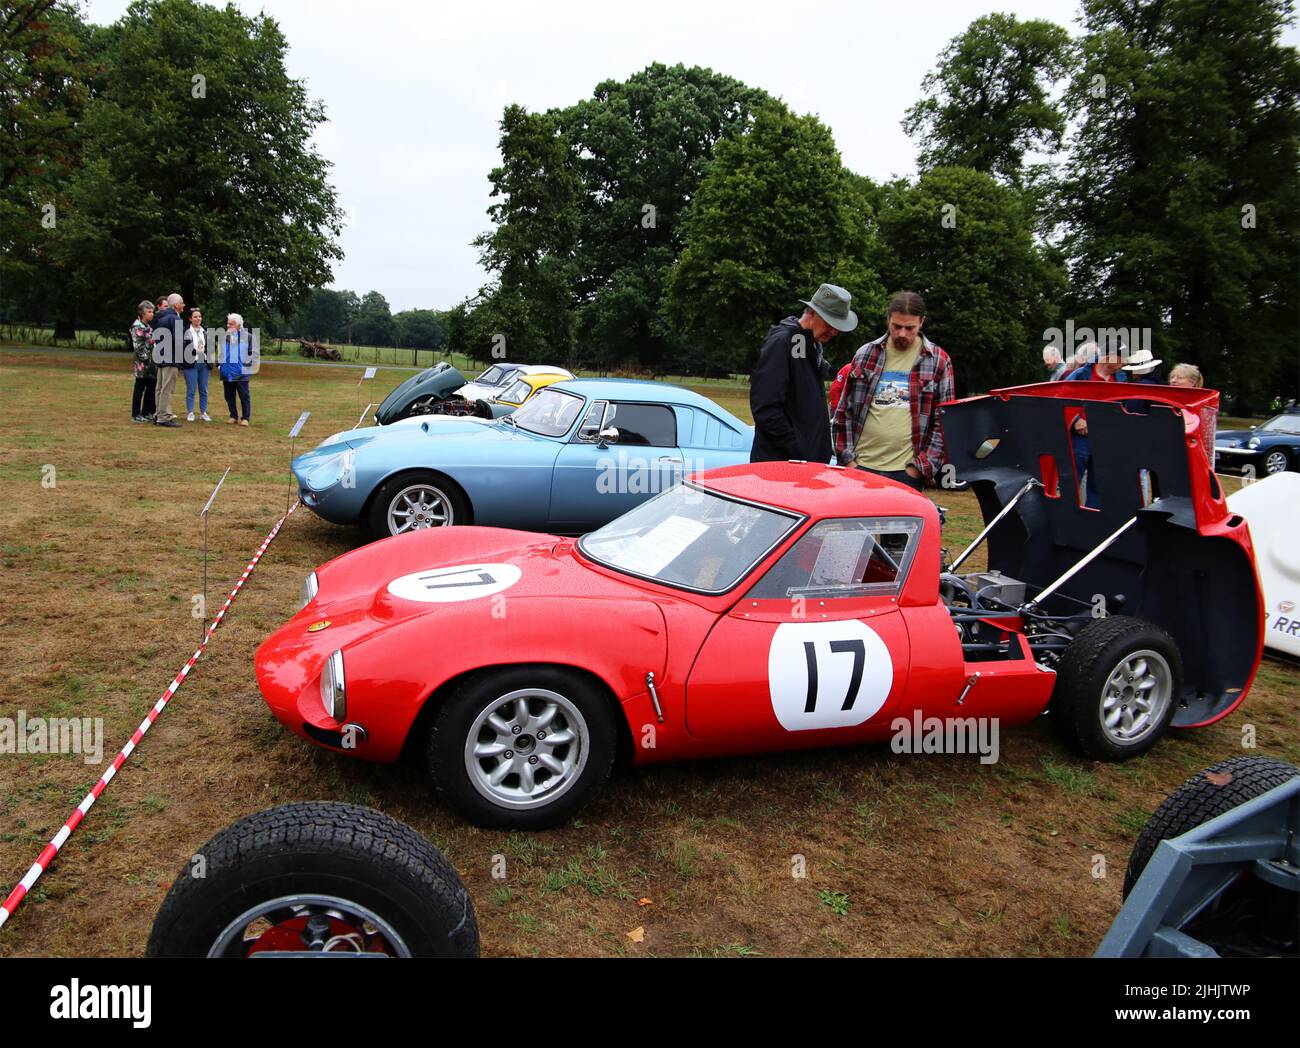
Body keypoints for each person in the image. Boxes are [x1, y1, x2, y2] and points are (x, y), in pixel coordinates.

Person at [831, 291, 955, 492]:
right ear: (888, 319)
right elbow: (843, 411)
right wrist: (848, 460)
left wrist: (920, 468)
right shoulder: (865, 354)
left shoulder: (938, 361)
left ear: (921, 322)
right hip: (860, 468)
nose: (902, 334)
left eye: (909, 328)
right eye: (897, 326)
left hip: (906, 473)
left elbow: (944, 423)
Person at [749, 283, 857, 463]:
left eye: (838, 326)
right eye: (829, 323)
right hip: (783, 467)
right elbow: (765, 407)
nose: (834, 331)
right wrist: (799, 449)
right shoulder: (784, 341)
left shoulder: (807, 343)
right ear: (812, 313)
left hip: (804, 465)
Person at [151, 292, 185, 427]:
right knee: (167, 388)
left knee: (159, 387)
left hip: (160, 356)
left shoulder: (160, 318)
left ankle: (158, 413)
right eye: (181, 303)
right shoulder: (175, 319)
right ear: (176, 305)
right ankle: (163, 416)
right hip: (170, 357)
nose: (183, 306)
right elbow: (179, 341)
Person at [219, 313, 252, 426]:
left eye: (231, 324)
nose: (228, 326)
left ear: (238, 325)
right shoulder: (224, 337)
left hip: (241, 373)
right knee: (229, 396)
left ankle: (245, 418)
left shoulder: (248, 337)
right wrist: (220, 364)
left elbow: (252, 354)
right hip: (227, 371)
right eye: (227, 323)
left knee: (244, 395)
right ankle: (233, 416)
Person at [182, 307, 212, 421]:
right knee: (191, 389)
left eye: (199, 316)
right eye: (195, 316)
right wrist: (196, 351)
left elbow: (211, 347)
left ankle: (203, 412)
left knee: (204, 389)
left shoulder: (206, 331)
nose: (198, 318)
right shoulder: (186, 332)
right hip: (191, 363)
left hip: (204, 363)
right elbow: (184, 348)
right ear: (190, 318)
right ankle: (190, 412)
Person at [130, 300, 156, 422]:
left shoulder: (148, 327)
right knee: (139, 389)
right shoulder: (137, 327)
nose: (152, 314)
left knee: (150, 389)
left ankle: (146, 412)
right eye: (149, 312)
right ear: (142, 313)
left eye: (152, 311)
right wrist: (146, 358)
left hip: (151, 364)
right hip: (142, 364)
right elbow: (138, 348)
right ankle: (136, 414)